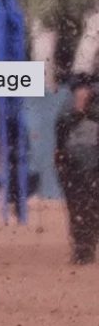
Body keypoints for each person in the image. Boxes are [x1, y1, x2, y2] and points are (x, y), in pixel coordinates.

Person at [54, 74, 99, 264]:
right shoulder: (67, 107)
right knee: (79, 207)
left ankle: (85, 247)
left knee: (87, 205)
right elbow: (60, 132)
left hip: (89, 164)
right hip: (75, 165)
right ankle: (83, 248)